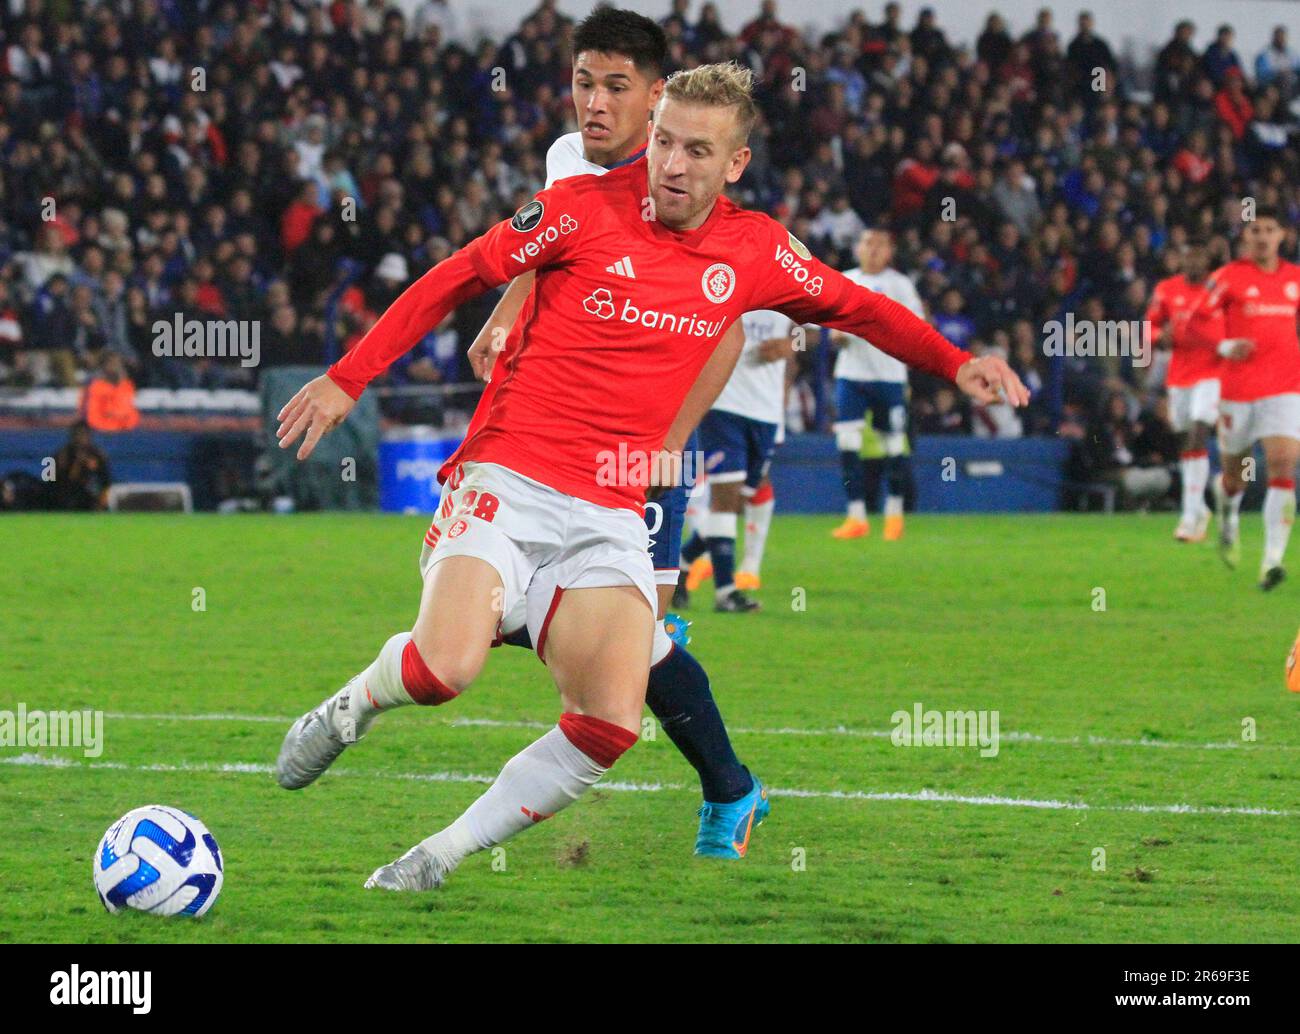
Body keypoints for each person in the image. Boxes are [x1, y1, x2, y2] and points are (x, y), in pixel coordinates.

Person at [274, 61, 1027, 893]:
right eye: (664, 140)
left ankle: (436, 856)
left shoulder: (756, 249)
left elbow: (859, 308)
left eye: (697, 151)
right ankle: (349, 710)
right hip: (511, 474)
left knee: (609, 724)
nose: (672, 165)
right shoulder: (577, 210)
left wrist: (957, 365)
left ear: (734, 164)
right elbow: (458, 274)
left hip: (611, 504)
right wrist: (349, 375)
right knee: (445, 670)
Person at [451, 7, 765, 857]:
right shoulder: (569, 162)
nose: (594, 103)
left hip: (640, 448)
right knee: (520, 614)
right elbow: (551, 250)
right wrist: (506, 312)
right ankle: (732, 790)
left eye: (613, 87)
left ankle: (730, 792)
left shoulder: (699, 187)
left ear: (654, 99)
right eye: (585, 83)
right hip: (552, 440)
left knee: (641, 633)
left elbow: (731, 323)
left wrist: (673, 437)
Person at [1202, 207, 1300, 589]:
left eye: (1270, 230)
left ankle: (1271, 562)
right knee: (1237, 476)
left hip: (1285, 386)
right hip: (1238, 390)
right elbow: (1193, 320)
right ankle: (1227, 516)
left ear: (1282, 236)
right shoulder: (1227, 278)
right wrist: (1223, 343)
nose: (1262, 236)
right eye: (1255, 229)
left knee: (1281, 464)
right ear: (1245, 238)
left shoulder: (1295, 278)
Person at [678, 309, 793, 610]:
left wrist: (792, 344)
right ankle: (726, 592)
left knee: (739, 502)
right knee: (725, 500)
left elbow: (814, 331)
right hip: (723, 407)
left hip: (766, 413)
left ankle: (683, 561)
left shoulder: (787, 280)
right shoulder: (724, 276)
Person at [827, 228, 924, 541]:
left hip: (889, 376)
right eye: (868, 243)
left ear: (889, 252)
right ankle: (856, 516)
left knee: (893, 444)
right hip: (851, 375)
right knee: (847, 444)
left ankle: (894, 515)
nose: (873, 249)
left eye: (880, 244)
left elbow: (917, 329)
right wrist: (837, 334)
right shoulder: (844, 280)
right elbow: (830, 327)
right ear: (858, 248)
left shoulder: (900, 285)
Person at [1145, 241, 1223, 541]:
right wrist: (1158, 335)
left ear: (1207, 259)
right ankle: (1199, 508)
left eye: (1198, 256)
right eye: (1187, 256)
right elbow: (1148, 326)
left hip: (1213, 374)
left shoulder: (1219, 290)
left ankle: (1189, 515)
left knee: (1198, 435)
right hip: (1180, 375)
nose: (1192, 262)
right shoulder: (1167, 289)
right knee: (1185, 442)